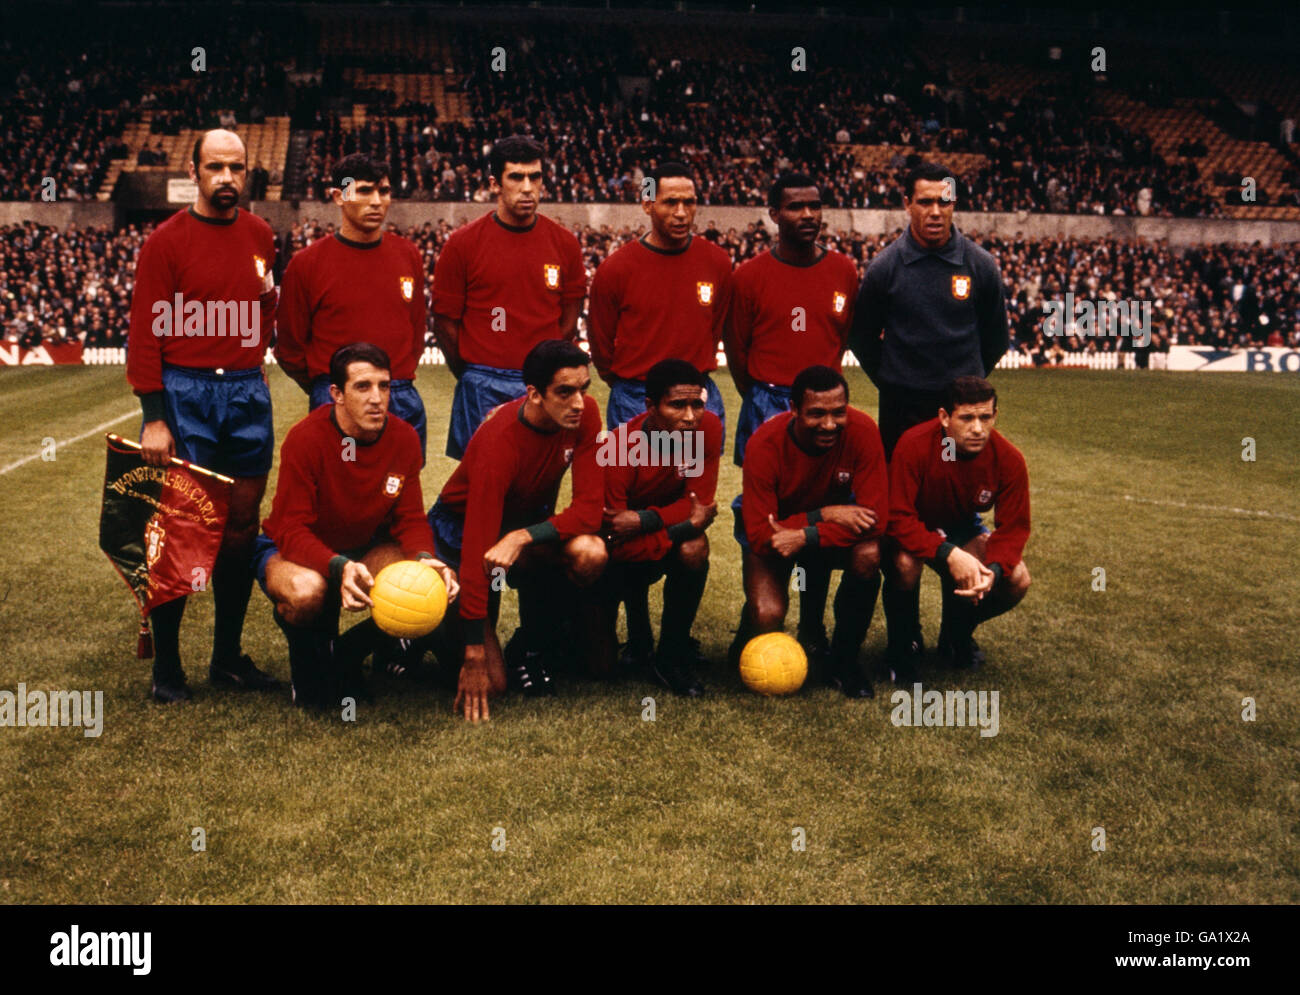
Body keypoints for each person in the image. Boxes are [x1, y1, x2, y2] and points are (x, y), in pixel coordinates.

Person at [126, 128, 280, 703]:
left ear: (247, 173)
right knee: (183, 533)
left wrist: (247, 365)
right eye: (215, 168)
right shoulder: (166, 242)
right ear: (194, 172)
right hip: (186, 393)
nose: (226, 179)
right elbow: (146, 332)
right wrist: (155, 415)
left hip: (244, 392)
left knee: (240, 530)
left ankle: (227, 658)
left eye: (236, 169)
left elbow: (264, 308)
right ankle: (167, 668)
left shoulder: (262, 234)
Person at [847, 160, 1009, 671]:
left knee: (961, 516)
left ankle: (957, 634)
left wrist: (965, 391)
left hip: (962, 419)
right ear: (907, 205)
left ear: (954, 204)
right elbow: (861, 337)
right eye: (925, 201)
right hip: (904, 412)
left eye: (944, 201)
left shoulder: (979, 265)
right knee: (903, 528)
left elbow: (996, 336)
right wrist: (897, 381)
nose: (935, 211)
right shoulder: (886, 267)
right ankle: (905, 640)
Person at [255, 343, 458, 707]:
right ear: (337, 394)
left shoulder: (404, 438)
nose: (377, 398)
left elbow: (410, 518)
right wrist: (339, 566)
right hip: (295, 550)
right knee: (306, 593)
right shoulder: (306, 438)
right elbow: (291, 528)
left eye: (384, 386)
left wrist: (425, 557)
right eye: (363, 387)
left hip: (364, 546)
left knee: (424, 583)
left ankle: (349, 652)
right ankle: (310, 651)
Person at [424, 340, 607, 724]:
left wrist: (523, 535)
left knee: (589, 551)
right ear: (534, 394)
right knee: (491, 682)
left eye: (583, 388)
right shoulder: (498, 442)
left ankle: (531, 649)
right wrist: (473, 653)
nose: (578, 402)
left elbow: (589, 512)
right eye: (565, 392)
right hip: (459, 536)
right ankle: (419, 635)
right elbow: (477, 553)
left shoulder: (585, 415)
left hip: (517, 530)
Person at [724, 172, 859, 671]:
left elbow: (839, 339)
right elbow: (738, 350)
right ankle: (757, 616)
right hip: (767, 399)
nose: (807, 216)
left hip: (822, 404)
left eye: (815, 206)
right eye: (796, 207)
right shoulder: (750, 275)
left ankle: (815, 626)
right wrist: (766, 397)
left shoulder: (845, 270)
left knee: (824, 508)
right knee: (767, 515)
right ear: (774, 213)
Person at [730, 365, 888, 698]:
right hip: (777, 534)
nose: (829, 424)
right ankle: (750, 629)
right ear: (793, 410)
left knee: (869, 554)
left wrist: (807, 534)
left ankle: (845, 662)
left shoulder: (863, 431)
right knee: (768, 612)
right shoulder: (763, 443)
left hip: (811, 532)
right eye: (816, 414)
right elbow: (761, 533)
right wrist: (823, 514)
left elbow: (877, 520)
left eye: (838, 413)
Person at [431, 135, 586, 460]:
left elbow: (570, 315)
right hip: (482, 381)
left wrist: (547, 371)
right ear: (495, 184)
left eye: (535, 177)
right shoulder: (462, 244)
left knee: (538, 483)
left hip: (542, 386)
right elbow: (445, 320)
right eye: (516, 177)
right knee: (481, 487)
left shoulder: (565, 243)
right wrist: (472, 372)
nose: (528, 187)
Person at [276, 153, 431, 461]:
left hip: (400, 393)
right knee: (338, 498)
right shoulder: (307, 264)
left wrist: (394, 379)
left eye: (383, 191)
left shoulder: (408, 254)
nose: (376, 201)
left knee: (397, 496)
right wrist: (335, 388)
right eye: (363, 191)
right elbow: (290, 348)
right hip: (336, 398)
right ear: (339, 196)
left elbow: (415, 330)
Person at [886, 376, 1031, 677]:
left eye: (985, 417)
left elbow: (1013, 529)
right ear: (944, 418)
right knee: (904, 564)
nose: (977, 428)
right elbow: (899, 517)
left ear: (995, 416)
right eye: (966, 418)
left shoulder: (1009, 459)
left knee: (1017, 579)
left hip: (961, 525)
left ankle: (956, 633)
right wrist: (948, 554)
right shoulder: (913, 444)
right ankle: (903, 644)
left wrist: (994, 571)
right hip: (915, 525)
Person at [598, 359, 722, 696]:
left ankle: (671, 655)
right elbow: (614, 536)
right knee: (599, 669)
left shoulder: (707, 428)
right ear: (651, 406)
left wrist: (646, 520)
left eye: (697, 403)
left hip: (647, 532)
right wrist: (671, 524)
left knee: (694, 546)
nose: (690, 416)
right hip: (614, 556)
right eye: (677, 405)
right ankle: (636, 640)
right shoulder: (618, 447)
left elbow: (699, 505)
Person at [587, 161, 733, 435]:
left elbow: (715, 329)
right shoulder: (616, 269)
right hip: (634, 397)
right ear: (647, 204)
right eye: (670, 202)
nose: (681, 213)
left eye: (689, 203)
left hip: (698, 393)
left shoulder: (718, 262)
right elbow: (601, 343)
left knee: (696, 476)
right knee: (627, 476)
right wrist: (628, 383)